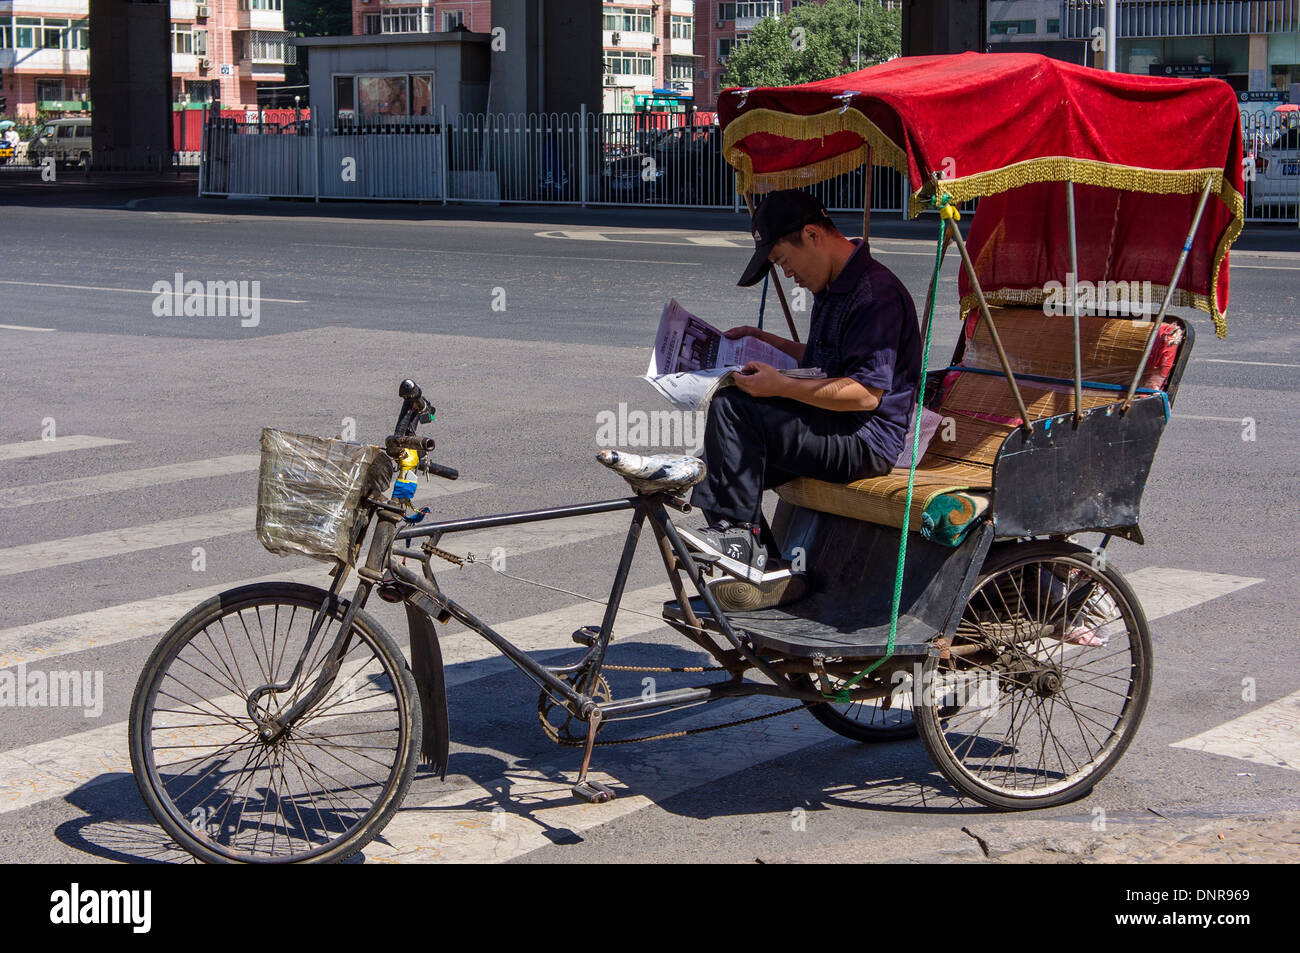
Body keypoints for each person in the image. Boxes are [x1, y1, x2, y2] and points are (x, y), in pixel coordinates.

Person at [676, 189, 921, 586]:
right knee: (717, 464)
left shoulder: (876, 294)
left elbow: (864, 393)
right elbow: (825, 361)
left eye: (783, 261)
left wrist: (780, 386)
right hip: (831, 423)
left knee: (734, 407)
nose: (788, 274)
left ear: (811, 235)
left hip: (865, 440)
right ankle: (767, 570)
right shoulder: (831, 283)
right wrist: (762, 340)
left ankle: (741, 542)